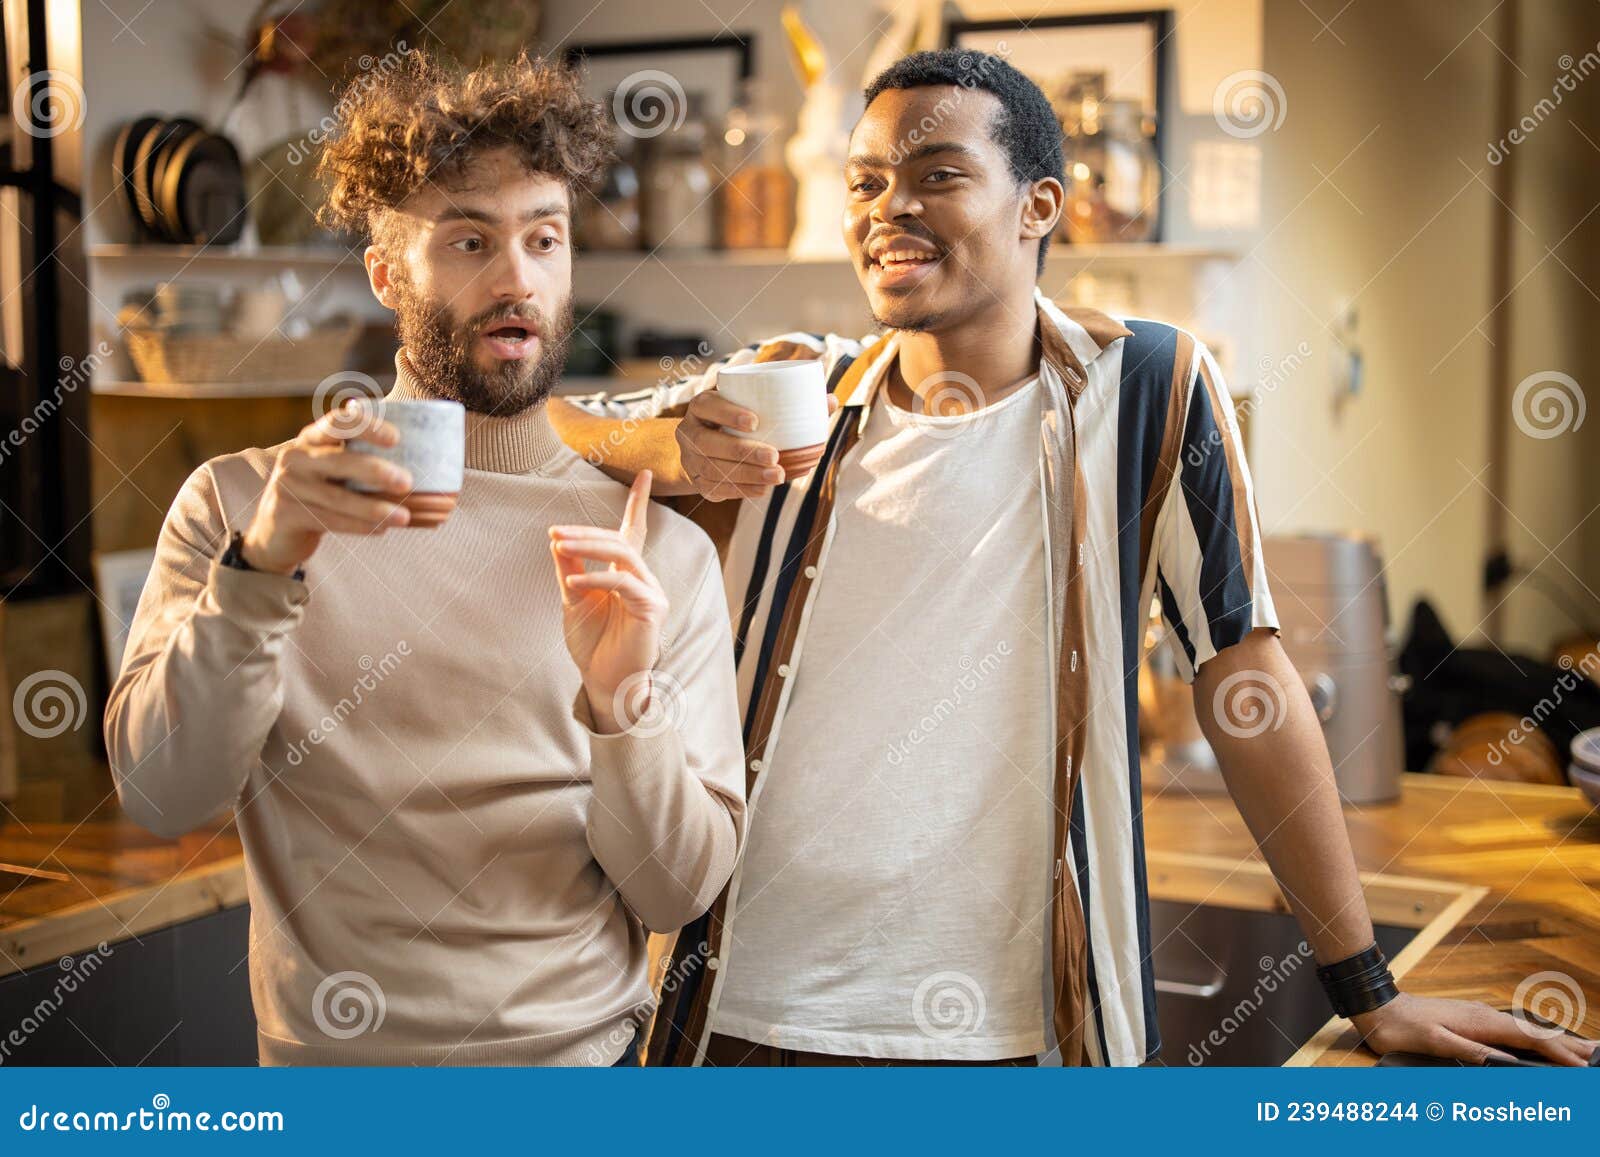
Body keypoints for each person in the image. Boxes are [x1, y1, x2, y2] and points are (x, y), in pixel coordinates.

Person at [550, 50, 1600, 1068]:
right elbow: (543, 428)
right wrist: (661, 441)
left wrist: (1366, 986)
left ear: (1038, 206)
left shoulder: (1145, 385)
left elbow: (1244, 674)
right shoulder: (788, 387)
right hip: (741, 1007)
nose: (888, 209)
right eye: (866, 182)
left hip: (1017, 1030)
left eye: (938, 176)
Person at [104, 52, 745, 1067]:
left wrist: (624, 708)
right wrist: (263, 569)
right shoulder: (243, 504)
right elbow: (161, 794)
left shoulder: (653, 544)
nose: (517, 278)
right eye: (468, 240)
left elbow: (677, 889)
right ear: (385, 270)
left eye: (545, 238)